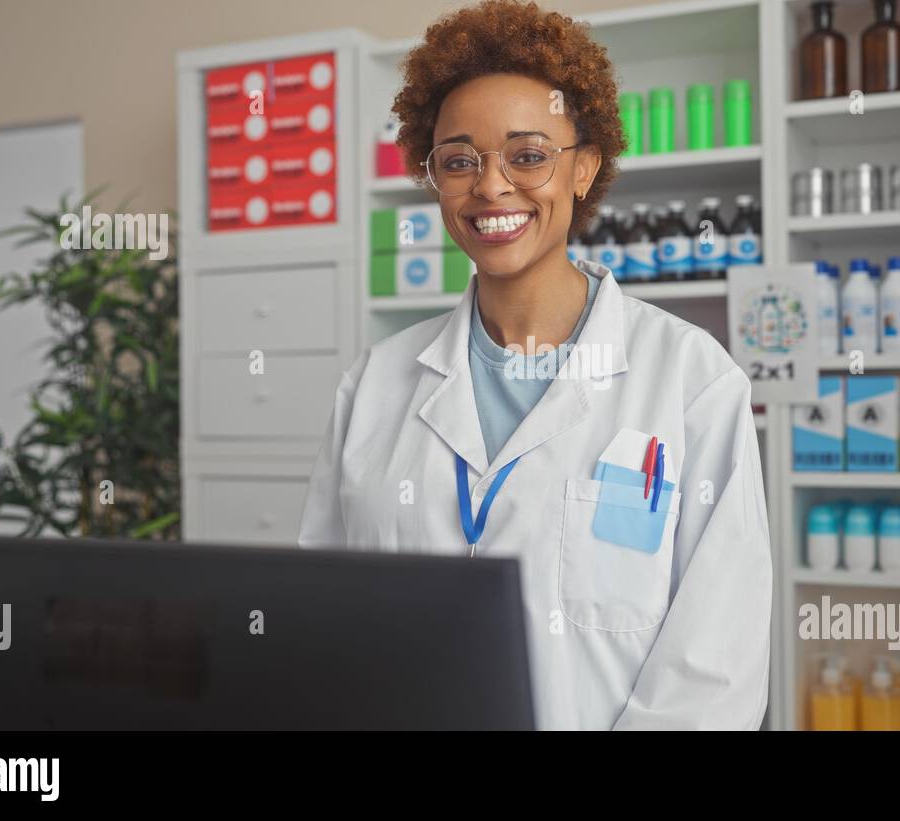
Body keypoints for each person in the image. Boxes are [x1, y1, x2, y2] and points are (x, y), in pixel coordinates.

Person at [298, 0, 771, 730]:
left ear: (584, 168)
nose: (490, 187)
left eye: (527, 156)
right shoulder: (372, 386)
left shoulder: (691, 381)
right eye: (459, 160)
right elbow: (325, 622)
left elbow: (715, 668)